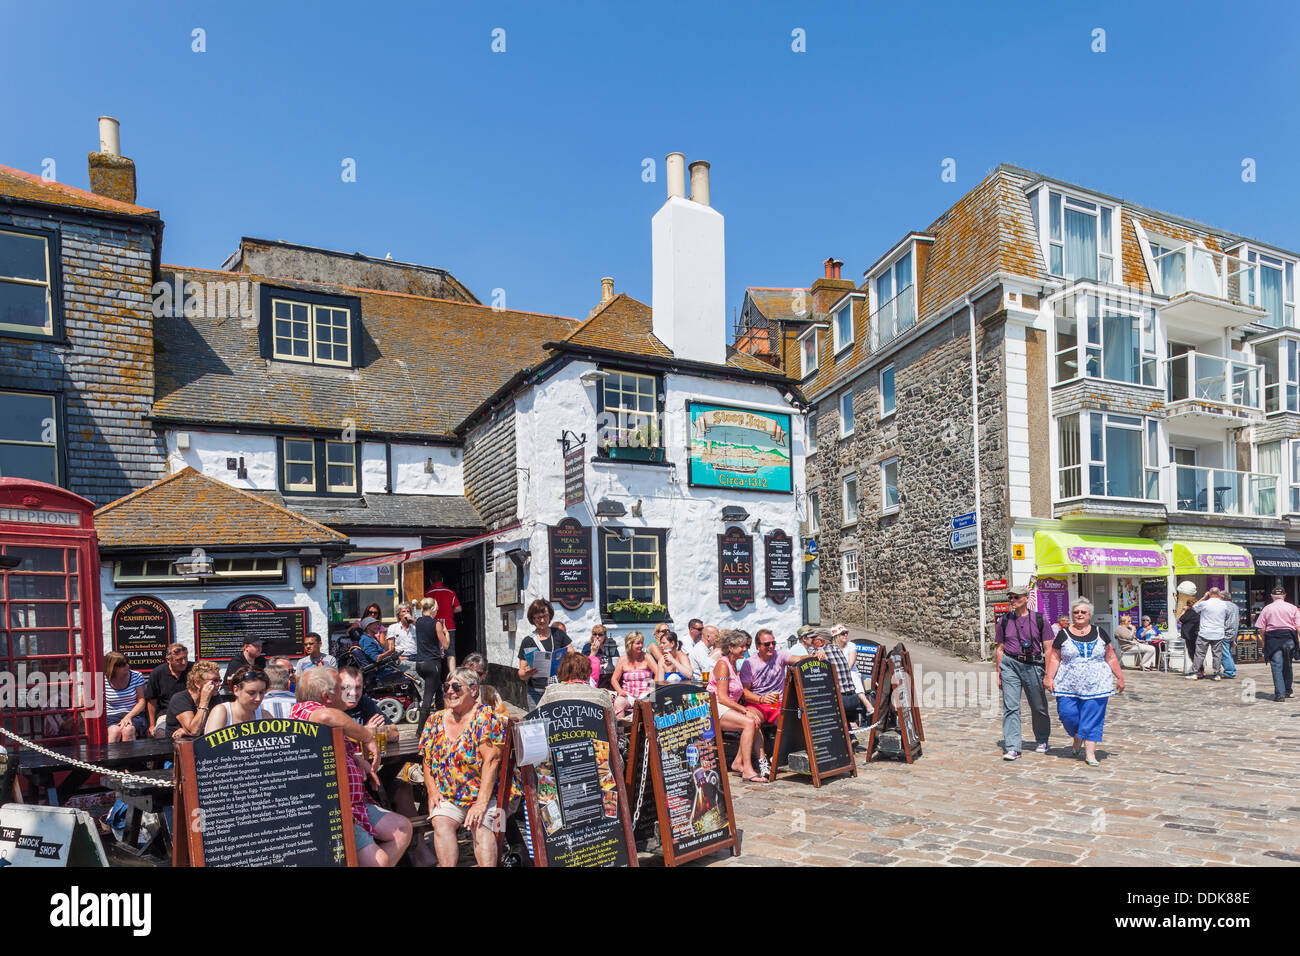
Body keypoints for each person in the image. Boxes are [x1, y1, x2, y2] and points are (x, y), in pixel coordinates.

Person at [292, 666, 411, 867]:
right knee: (379, 862)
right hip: (336, 809)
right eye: (341, 688)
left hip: (356, 804)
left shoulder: (331, 714)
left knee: (402, 827)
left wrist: (356, 758)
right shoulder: (306, 711)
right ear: (326, 696)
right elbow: (325, 717)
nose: (347, 693)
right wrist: (366, 736)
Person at [420, 667, 508, 867]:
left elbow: (492, 760)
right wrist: (432, 790)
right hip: (451, 794)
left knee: (482, 823)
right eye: (447, 686)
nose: (450, 691)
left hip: (489, 792)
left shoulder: (485, 718)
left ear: (474, 690)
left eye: (457, 687)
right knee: (440, 822)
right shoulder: (434, 720)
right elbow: (426, 758)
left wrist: (480, 804)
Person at [1044, 598, 1124, 767]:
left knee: (1093, 717)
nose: (1079, 614)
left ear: (1089, 615)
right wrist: (1049, 677)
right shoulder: (1063, 633)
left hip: (1097, 683)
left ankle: (1090, 753)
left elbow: (1110, 656)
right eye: (1076, 612)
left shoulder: (1100, 631)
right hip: (1068, 684)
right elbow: (1055, 657)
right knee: (1067, 715)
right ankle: (1077, 736)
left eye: (1083, 612)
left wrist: (1120, 677)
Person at [993, 584, 1056, 761]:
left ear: (1027, 599)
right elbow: (999, 649)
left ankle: (1042, 739)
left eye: (1016, 597)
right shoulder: (1004, 621)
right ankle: (1013, 746)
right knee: (1010, 707)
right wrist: (999, 672)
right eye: (1010, 597)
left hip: (1033, 664)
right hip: (1010, 664)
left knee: (1038, 706)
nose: (1012, 600)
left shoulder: (1039, 619)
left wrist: (1048, 674)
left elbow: (1049, 648)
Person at [710, 630, 768, 782]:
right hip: (715, 706)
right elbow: (722, 697)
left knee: (754, 721)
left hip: (728, 707)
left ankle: (738, 762)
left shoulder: (734, 664)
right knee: (749, 722)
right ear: (730, 647)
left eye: (745, 646)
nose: (745, 649)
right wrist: (744, 710)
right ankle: (747, 769)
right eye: (741, 647)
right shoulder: (723, 665)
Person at [740, 628, 804, 726]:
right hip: (757, 704)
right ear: (758, 646)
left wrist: (815, 655)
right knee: (751, 722)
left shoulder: (779, 655)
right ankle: (762, 740)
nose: (771, 646)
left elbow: (799, 659)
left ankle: (777, 740)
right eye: (767, 644)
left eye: (773, 643)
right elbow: (745, 693)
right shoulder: (749, 663)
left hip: (778, 703)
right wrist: (761, 699)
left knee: (790, 723)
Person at [516, 598, 572, 710]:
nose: (542, 620)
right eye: (538, 617)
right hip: (536, 692)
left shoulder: (559, 634)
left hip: (558, 688)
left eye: (545, 616)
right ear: (533, 619)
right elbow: (521, 673)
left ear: (550, 616)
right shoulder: (528, 641)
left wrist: (564, 662)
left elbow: (572, 655)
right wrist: (528, 673)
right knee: (539, 725)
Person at [810, 628, 864, 727]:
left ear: (821, 641)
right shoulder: (837, 649)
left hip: (839, 700)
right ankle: (851, 737)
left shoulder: (820, 653)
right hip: (853, 698)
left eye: (813, 640)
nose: (811, 642)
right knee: (842, 725)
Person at [1254, 586, 1300, 702]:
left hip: (1273, 639)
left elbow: (1261, 628)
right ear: (1284, 596)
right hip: (1289, 638)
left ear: (1271, 596)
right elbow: (1298, 626)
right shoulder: (1293, 608)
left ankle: (1280, 694)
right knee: (1288, 665)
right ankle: (1288, 691)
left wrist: (1264, 642)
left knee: (1276, 666)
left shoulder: (1267, 609)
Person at [414, 597, 452, 729]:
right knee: (428, 698)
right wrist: (447, 633)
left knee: (439, 691)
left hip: (420, 663)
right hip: (432, 664)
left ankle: (442, 722)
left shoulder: (418, 622)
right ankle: (420, 731)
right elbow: (445, 645)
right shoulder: (436, 624)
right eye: (436, 610)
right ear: (433, 609)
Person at [145, 644, 191, 738]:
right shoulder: (158, 673)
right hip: (166, 714)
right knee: (161, 733)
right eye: (178, 660)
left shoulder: (193, 670)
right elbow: (152, 701)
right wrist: (152, 725)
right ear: (168, 660)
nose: (184, 662)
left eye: (185, 658)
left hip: (190, 712)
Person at [538, 653, 615, 709]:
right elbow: (611, 723)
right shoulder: (600, 695)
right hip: (591, 731)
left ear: (562, 670)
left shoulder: (551, 692)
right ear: (588, 671)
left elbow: (537, 718)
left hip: (558, 730)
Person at [166, 661, 222, 738]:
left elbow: (220, 726)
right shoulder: (180, 699)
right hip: (179, 744)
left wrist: (185, 731)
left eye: (220, 680)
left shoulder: (215, 697)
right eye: (215, 680)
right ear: (197, 683)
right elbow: (194, 731)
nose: (218, 684)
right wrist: (204, 701)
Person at [204, 666, 268, 732]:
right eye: (251, 693)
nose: (258, 698)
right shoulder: (222, 712)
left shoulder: (264, 715)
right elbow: (209, 741)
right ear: (236, 690)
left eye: (261, 692)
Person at [611, 631, 660, 713]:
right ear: (630, 644)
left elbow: (658, 672)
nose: (641, 646)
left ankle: (646, 724)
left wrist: (652, 687)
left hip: (645, 693)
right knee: (618, 703)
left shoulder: (647, 657)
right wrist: (620, 691)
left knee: (647, 703)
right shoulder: (623, 659)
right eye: (638, 643)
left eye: (642, 643)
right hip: (628, 694)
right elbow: (614, 679)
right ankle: (623, 724)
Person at [103, 652, 147, 742]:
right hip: (111, 716)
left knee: (128, 730)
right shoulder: (102, 679)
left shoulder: (136, 676)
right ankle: (111, 756)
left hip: (134, 715)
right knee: (114, 732)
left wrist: (128, 716)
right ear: (112, 667)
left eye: (127, 662)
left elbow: (141, 701)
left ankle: (129, 756)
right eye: (122, 665)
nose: (127, 666)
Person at [1188, 587, 1230, 681]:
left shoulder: (1205, 603)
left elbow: (1194, 607)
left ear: (1209, 593)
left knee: (1200, 654)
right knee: (1217, 654)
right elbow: (1227, 615)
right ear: (1219, 594)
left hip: (1205, 632)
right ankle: (1217, 674)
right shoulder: (1224, 605)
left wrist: (1204, 597)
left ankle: (1195, 673)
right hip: (1218, 632)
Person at [832, 625, 873, 718]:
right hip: (837, 673)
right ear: (836, 636)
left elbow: (851, 663)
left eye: (846, 633)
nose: (845, 635)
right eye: (842, 633)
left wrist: (842, 673)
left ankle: (867, 704)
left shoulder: (851, 645)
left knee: (852, 675)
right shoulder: (832, 647)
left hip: (850, 672)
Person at [424, 569, 463, 657]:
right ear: (442, 580)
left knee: (434, 652)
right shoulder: (450, 592)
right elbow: (458, 608)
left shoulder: (427, 594)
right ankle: (451, 670)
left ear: (430, 581)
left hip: (432, 626)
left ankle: (437, 670)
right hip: (448, 625)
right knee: (450, 652)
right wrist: (450, 611)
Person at [462, 652, 509, 717]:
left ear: (484, 675)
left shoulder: (490, 692)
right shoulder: (455, 691)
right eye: (467, 671)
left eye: (477, 673)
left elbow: (503, 716)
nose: (471, 676)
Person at [582, 625, 618, 689]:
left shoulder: (610, 646)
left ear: (605, 636)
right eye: (595, 634)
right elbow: (584, 665)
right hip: (593, 677)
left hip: (609, 676)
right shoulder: (587, 647)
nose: (597, 637)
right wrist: (593, 652)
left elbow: (616, 660)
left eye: (600, 635)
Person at [387, 602, 418, 668]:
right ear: (399, 615)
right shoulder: (393, 628)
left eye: (408, 611)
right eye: (404, 611)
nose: (406, 613)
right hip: (402, 657)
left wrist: (414, 622)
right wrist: (398, 657)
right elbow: (391, 647)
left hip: (416, 657)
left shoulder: (416, 627)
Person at [1221, 597, 1240, 679]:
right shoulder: (1235, 606)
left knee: (1224, 653)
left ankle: (1229, 672)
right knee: (1228, 653)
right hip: (1233, 632)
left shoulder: (1223, 606)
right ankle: (1232, 670)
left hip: (1225, 632)